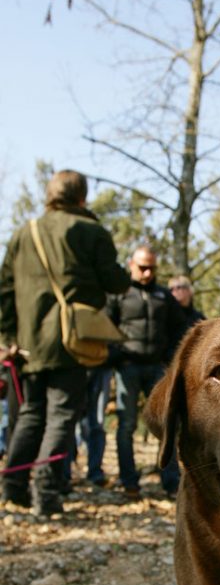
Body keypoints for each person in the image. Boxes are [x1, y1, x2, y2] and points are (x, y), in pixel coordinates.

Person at [0, 169, 130, 515]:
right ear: (82, 197)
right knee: (62, 415)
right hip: (72, 342)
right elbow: (115, 282)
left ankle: (13, 487)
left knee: (31, 413)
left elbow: (5, 291)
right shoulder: (91, 231)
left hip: (30, 345)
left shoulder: (23, 233)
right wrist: (125, 273)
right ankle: (46, 490)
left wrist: (9, 338)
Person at [108, 245, 187, 499]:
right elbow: (105, 326)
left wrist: (170, 360)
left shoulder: (164, 296)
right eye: (142, 267)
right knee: (126, 424)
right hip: (127, 366)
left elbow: (180, 330)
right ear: (131, 264)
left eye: (151, 268)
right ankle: (129, 480)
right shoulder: (119, 294)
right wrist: (115, 355)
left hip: (157, 368)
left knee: (166, 424)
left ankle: (171, 482)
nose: (146, 272)